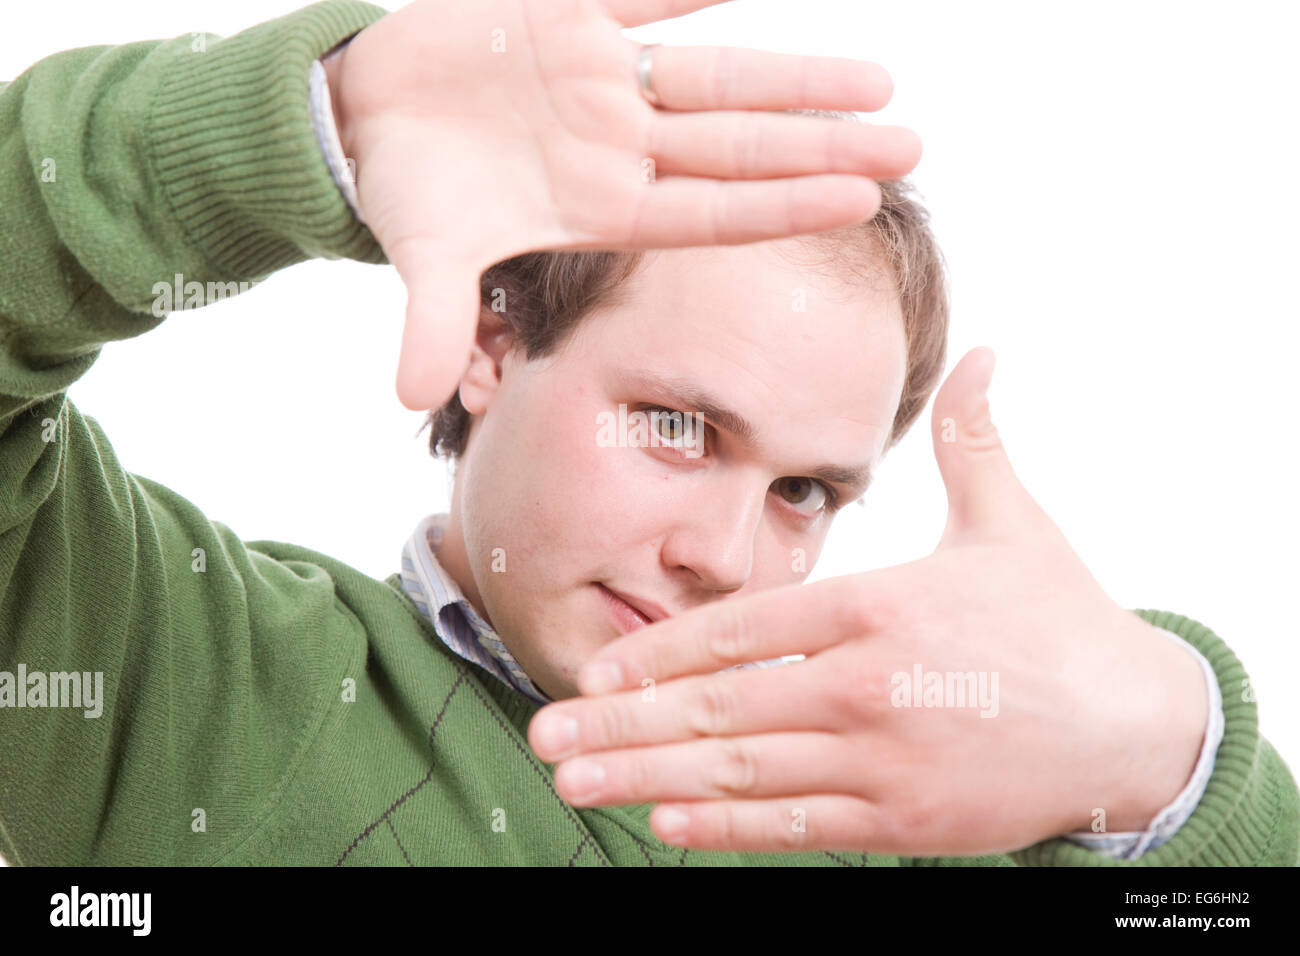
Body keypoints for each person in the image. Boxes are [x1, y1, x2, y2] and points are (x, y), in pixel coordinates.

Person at [0, 0, 1294, 866]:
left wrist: (1166, 749)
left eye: (802, 492)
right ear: (491, 345)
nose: (725, 560)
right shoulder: (179, 671)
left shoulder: (903, 812)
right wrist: (297, 137)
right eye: (679, 425)